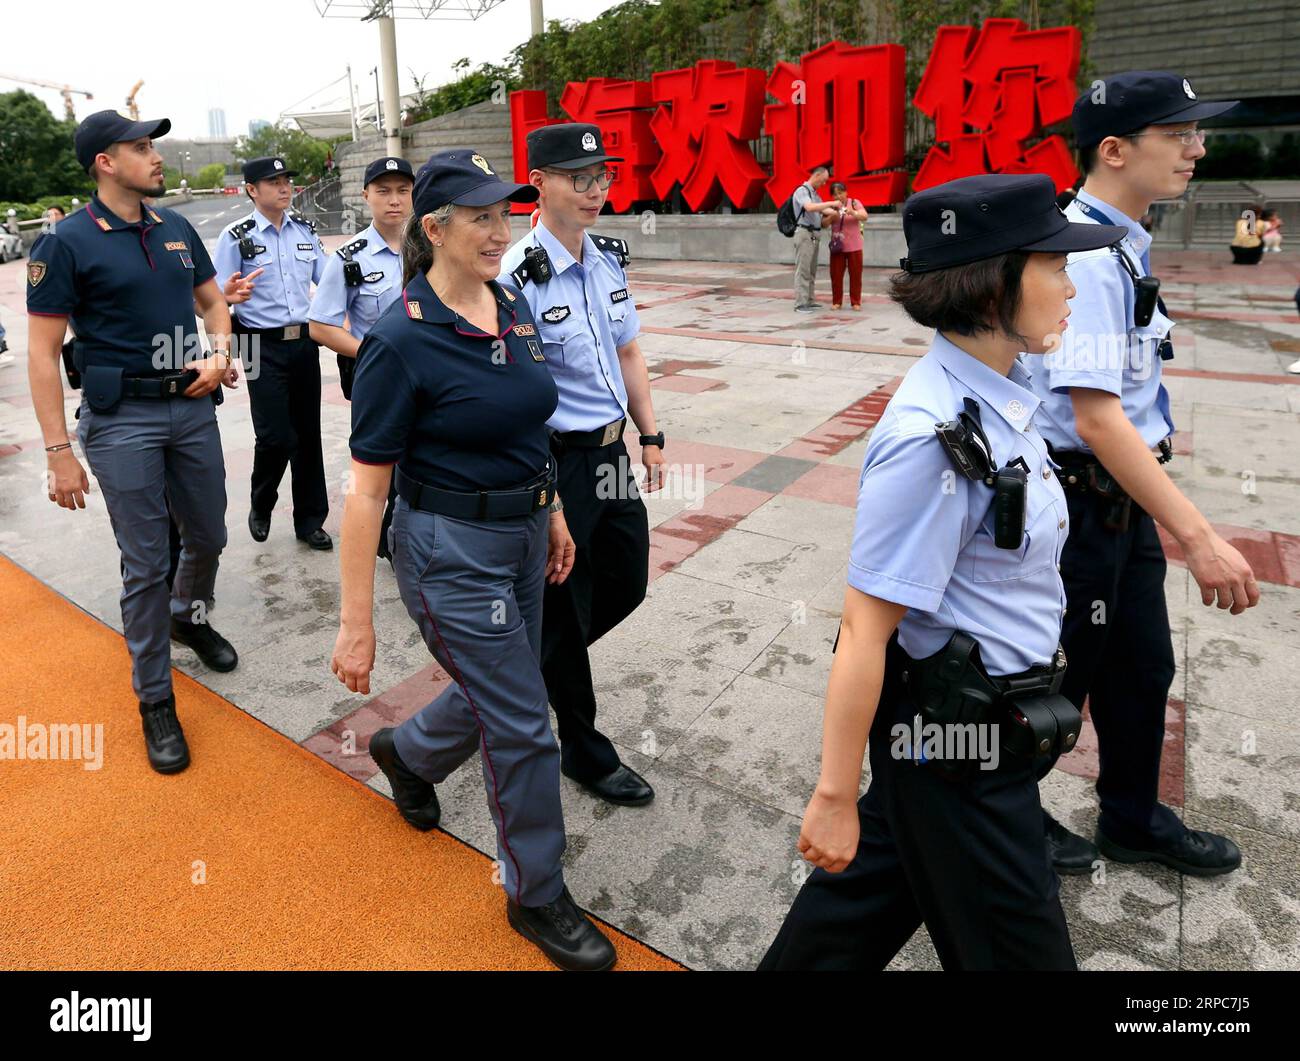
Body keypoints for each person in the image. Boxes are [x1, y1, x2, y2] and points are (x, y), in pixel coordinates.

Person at [758, 173, 1126, 970]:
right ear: (994, 280)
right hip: (963, 760)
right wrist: (830, 794)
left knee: (851, 916)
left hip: (971, 738)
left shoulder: (1009, 389)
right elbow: (864, 626)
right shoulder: (934, 437)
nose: (1070, 283)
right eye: (1053, 265)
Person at [329, 149, 616, 972]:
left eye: (506, 214)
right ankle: (536, 892)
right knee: (525, 723)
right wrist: (356, 623)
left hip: (524, 534)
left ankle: (406, 751)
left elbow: (530, 425)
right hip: (448, 550)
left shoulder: (513, 303)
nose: (500, 232)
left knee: (507, 681)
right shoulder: (400, 339)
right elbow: (365, 491)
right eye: (481, 217)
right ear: (435, 228)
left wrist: (552, 510)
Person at [1030, 71, 1258, 877]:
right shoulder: (1083, 254)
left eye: (1198, 134)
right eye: (1180, 134)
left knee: (1140, 667)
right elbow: (1095, 418)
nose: (1198, 149)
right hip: (1076, 508)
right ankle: (1008, 817)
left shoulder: (1122, 236)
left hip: (1117, 502)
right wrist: (1198, 535)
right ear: (1116, 149)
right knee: (1057, 677)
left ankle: (1130, 817)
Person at [25, 109, 241, 774]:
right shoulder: (65, 243)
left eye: (154, 146)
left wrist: (219, 352)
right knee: (144, 561)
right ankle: (154, 696)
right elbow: (41, 349)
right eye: (141, 147)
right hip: (121, 421)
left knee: (208, 535)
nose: (156, 158)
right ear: (105, 162)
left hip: (192, 407)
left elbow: (212, 303)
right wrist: (59, 451)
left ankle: (189, 613)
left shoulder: (175, 229)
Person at [498, 123, 663, 807]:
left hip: (611, 451)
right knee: (565, 609)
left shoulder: (605, 259)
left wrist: (650, 434)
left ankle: (524, 670)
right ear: (540, 184)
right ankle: (584, 749)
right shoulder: (517, 276)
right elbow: (515, 401)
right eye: (579, 177)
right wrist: (550, 499)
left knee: (627, 577)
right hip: (558, 463)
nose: (596, 189)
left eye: (603, 176)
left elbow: (628, 352)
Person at [214, 156, 332, 550]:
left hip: (304, 342)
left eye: (287, 180)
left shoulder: (304, 231)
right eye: (273, 181)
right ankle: (262, 502)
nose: (284, 187)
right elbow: (214, 298)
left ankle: (310, 520)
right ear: (252, 189)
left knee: (307, 434)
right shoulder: (236, 236)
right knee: (274, 435)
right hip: (257, 343)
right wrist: (228, 306)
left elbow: (327, 280)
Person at [308, 155, 413, 561]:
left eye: (403, 191)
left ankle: (403, 541)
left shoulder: (434, 246)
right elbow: (321, 325)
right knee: (377, 470)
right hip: (379, 381)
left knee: (422, 462)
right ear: (365, 195)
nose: (394, 201)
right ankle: (381, 540)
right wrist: (372, 351)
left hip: (432, 377)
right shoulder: (349, 258)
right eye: (383, 191)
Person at [790, 163, 838, 312]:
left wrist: (839, 211)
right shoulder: (802, 191)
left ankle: (809, 300)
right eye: (823, 180)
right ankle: (800, 303)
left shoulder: (815, 194)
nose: (824, 184)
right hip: (804, 233)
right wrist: (831, 203)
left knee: (811, 270)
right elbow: (810, 207)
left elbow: (824, 209)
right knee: (803, 269)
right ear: (816, 175)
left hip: (814, 234)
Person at [824, 181, 867, 310]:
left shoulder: (854, 203)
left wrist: (852, 212)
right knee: (836, 275)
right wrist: (832, 217)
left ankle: (856, 302)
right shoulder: (830, 206)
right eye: (835, 194)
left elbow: (864, 216)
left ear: (846, 192)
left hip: (855, 246)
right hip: (838, 247)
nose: (838, 196)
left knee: (855, 275)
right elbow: (824, 224)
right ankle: (837, 301)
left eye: (840, 193)